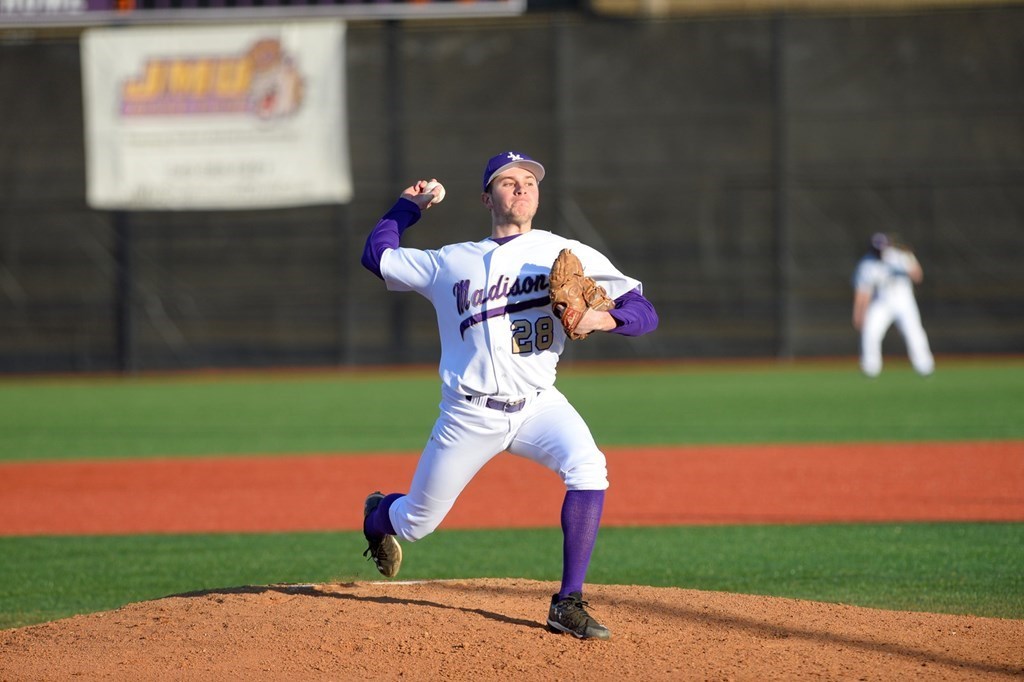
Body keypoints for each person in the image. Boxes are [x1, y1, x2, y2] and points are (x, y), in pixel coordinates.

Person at [359, 150, 658, 640]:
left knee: (589, 468)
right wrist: (407, 207)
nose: (521, 187)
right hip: (468, 414)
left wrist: (602, 318)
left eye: (530, 182)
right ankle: (377, 516)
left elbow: (644, 311)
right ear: (486, 198)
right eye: (507, 181)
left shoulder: (563, 252)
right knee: (415, 523)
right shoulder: (449, 262)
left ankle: (567, 602)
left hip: (539, 403)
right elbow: (377, 257)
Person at [851, 232, 935, 377]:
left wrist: (910, 260)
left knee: (914, 333)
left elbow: (918, 277)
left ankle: (925, 366)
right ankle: (870, 367)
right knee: (870, 331)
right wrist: (859, 313)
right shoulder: (867, 264)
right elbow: (863, 292)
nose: (880, 252)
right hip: (881, 302)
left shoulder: (900, 256)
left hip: (904, 301)